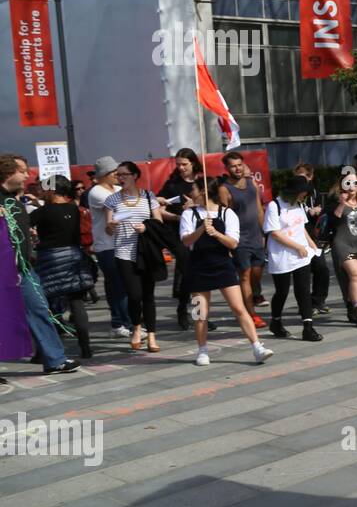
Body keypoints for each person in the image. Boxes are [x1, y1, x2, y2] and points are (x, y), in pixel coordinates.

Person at [179, 179, 273, 367]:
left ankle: (257, 347)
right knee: (200, 313)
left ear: (204, 191)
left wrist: (215, 232)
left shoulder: (227, 213)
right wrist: (200, 230)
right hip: (198, 267)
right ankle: (202, 350)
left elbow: (233, 243)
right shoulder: (189, 214)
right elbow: (186, 241)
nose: (191, 192)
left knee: (239, 308)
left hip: (223, 266)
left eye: (194, 188)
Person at [0, 155, 79, 373]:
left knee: (39, 310)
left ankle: (55, 359)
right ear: (9, 172)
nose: (27, 175)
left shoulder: (13, 199)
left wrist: (29, 237)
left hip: (23, 268)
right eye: (23, 171)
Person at [31, 175, 95, 359]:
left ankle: (42, 352)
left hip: (50, 260)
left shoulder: (42, 212)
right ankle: (86, 347)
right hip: (74, 258)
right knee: (77, 302)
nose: (41, 192)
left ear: (52, 190)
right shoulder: (74, 209)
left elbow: (24, 224)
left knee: (47, 307)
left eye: (44, 189)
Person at [104, 161, 164, 352]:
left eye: (124, 174)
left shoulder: (148, 196)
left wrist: (146, 227)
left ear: (135, 176)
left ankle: (152, 335)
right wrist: (111, 226)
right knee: (134, 294)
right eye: (118, 175)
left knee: (148, 295)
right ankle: (137, 328)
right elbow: (108, 229)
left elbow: (159, 222)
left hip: (146, 252)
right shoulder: (112, 200)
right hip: (124, 252)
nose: (120, 178)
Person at [264, 175, 323, 342]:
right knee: (282, 291)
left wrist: (311, 244)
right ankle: (276, 321)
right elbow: (274, 233)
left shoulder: (299, 205)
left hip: (301, 255)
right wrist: (296, 246)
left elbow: (301, 227)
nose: (304, 195)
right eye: (302, 192)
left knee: (303, 290)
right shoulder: (274, 206)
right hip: (281, 255)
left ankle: (308, 327)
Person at [218, 151, 267, 328]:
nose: (237, 168)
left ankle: (254, 297)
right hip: (239, 240)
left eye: (239, 164)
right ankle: (251, 314)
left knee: (257, 273)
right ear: (227, 168)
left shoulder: (251, 182)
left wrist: (264, 233)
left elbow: (259, 209)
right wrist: (228, 243)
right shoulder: (224, 189)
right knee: (244, 276)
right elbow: (223, 217)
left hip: (256, 236)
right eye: (233, 165)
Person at [86, 156, 131, 337]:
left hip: (124, 243)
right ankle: (126, 323)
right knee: (119, 285)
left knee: (118, 286)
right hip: (107, 246)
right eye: (114, 172)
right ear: (104, 174)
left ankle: (118, 323)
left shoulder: (118, 188)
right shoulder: (96, 192)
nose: (117, 175)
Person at [327, 166, 357, 327]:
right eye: (348, 183)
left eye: (355, 183)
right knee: (354, 276)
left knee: (354, 279)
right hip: (343, 245)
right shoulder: (336, 201)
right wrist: (341, 203)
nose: (352, 187)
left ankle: (353, 309)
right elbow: (333, 220)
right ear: (342, 185)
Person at [160, 147, 203, 331]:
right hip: (179, 234)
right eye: (178, 165)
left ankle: (201, 315)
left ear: (193, 163)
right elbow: (160, 209)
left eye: (184, 164)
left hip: (200, 231)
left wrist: (196, 205)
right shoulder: (172, 186)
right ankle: (183, 310)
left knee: (199, 274)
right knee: (188, 271)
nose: (181, 168)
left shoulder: (201, 182)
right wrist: (180, 216)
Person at [294, 162, 331, 316]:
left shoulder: (313, 191)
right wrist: (309, 212)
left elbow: (320, 210)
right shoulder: (292, 192)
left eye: (302, 177)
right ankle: (305, 304)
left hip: (312, 235)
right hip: (298, 236)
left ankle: (318, 300)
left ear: (310, 177)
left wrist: (317, 211)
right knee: (302, 272)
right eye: (297, 178)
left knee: (321, 268)